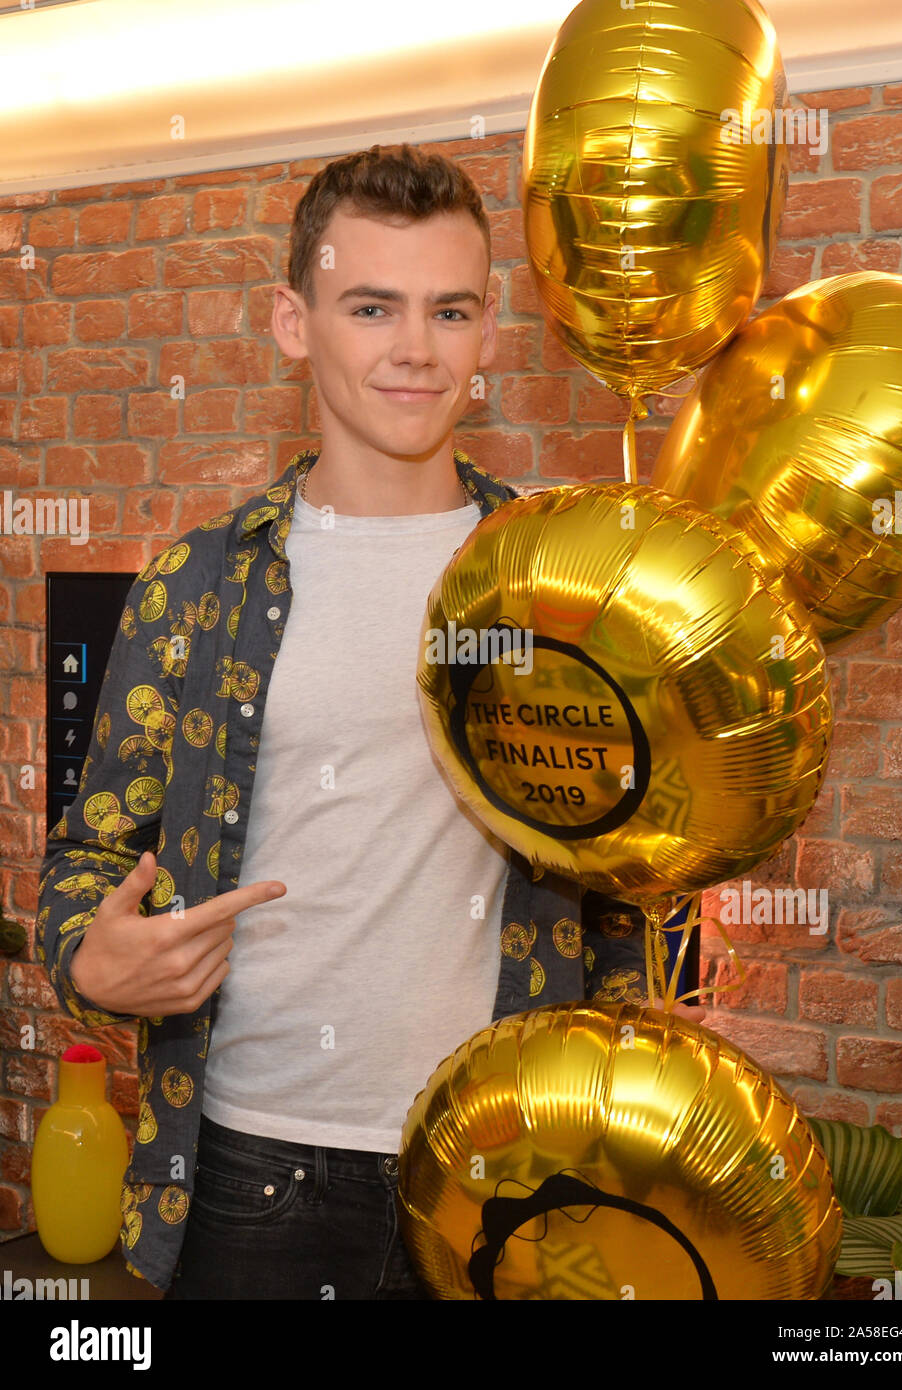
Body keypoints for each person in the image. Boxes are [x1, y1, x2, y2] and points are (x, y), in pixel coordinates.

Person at [35, 143, 705, 1301]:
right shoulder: (199, 584)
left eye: (448, 309)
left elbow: (622, 876)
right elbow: (90, 853)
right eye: (371, 306)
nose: (414, 349)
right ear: (294, 322)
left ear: (489, 330)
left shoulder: (563, 587)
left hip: (513, 1158)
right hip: (253, 1169)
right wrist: (92, 956)